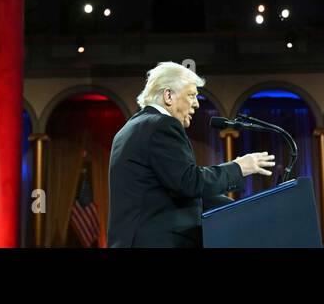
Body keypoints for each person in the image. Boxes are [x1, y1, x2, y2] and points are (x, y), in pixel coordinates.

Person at [106, 61, 275, 247]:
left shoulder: (132, 127)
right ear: (168, 95)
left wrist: (243, 208)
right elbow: (189, 182)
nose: (196, 104)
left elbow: (176, 189)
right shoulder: (161, 125)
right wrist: (238, 168)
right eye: (192, 95)